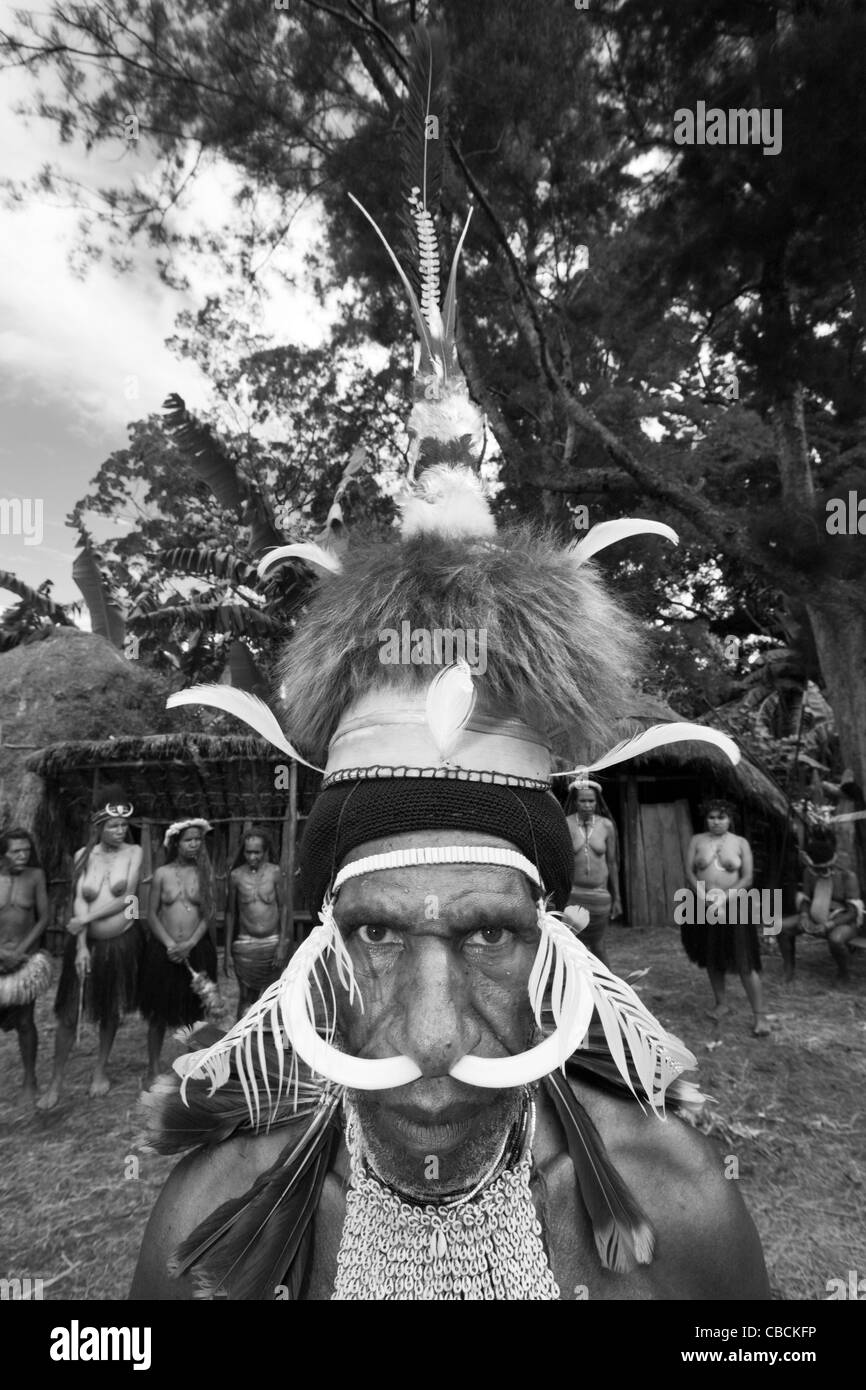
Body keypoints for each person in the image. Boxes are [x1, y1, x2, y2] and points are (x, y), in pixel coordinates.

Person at [129, 83, 768, 1300]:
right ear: (316, 954)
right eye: (374, 931)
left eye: (487, 932)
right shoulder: (211, 1237)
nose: (430, 1040)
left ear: (559, 954)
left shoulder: (680, 1214)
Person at [37, 789, 143, 1110]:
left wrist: (87, 918)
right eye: (113, 825)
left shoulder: (134, 852)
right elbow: (79, 899)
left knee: (110, 1009)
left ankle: (100, 1069)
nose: (120, 830)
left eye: (123, 825)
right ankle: (56, 1080)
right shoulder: (83, 854)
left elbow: (130, 901)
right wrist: (81, 945)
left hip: (120, 943)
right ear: (98, 826)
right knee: (70, 1012)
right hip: (85, 943)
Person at [681, 800, 770, 1037]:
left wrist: (723, 900)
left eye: (721, 817)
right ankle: (721, 1003)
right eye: (711, 817)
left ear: (730, 819)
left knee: (744, 960)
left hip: (734, 904)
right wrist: (702, 896)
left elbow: (747, 879)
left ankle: (759, 1016)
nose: (716, 821)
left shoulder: (740, 843)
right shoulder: (697, 840)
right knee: (712, 955)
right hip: (703, 903)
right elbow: (689, 871)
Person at [141, 819, 219, 1083]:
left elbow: (209, 913)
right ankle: (152, 1067)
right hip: (164, 951)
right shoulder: (161, 873)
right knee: (158, 1012)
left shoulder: (205, 873)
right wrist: (169, 944)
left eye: (198, 839)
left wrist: (190, 943)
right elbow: (151, 914)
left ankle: (190, 1065)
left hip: (196, 949)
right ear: (176, 843)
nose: (194, 844)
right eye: (188, 839)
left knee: (194, 1012)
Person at [0, 828, 50, 1103]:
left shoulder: (35, 877)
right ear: (2, 854)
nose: (23, 855)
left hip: (24, 962)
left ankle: (30, 1079)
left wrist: (19, 952)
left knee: (25, 1021)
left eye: (26, 850)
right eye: (16, 851)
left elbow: (43, 918)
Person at [777, 827, 863, 984]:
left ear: (830, 864)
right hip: (814, 915)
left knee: (836, 939)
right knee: (779, 927)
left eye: (820, 868)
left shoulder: (847, 876)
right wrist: (804, 915)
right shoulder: (810, 872)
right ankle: (788, 968)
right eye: (814, 868)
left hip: (842, 920)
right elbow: (805, 898)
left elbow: (852, 912)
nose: (816, 871)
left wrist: (829, 924)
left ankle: (843, 974)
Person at [225, 828, 290, 1019]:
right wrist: (228, 952)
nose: (252, 856)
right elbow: (231, 914)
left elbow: (285, 908)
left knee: (275, 998)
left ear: (265, 851)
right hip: (246, 945)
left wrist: (282, 944)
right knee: (246, 998)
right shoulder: (236, 876)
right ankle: (242, 1045)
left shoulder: (275, 873)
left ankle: (273, 1045)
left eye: (257, 852)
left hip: (273, 944)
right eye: (248, 852)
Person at [563, 778, 621, 967]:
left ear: (597, 802)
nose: (587, 805)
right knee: (572, 946)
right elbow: (560, 863)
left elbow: (612, 863)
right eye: (583, 801)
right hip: (573, 894)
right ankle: (576, 991)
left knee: (598, 946)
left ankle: (608, 991)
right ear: (575, 802)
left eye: (591, 801)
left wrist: (617, 898)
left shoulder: (606, 826)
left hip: (599, 895)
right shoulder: (566, 824)